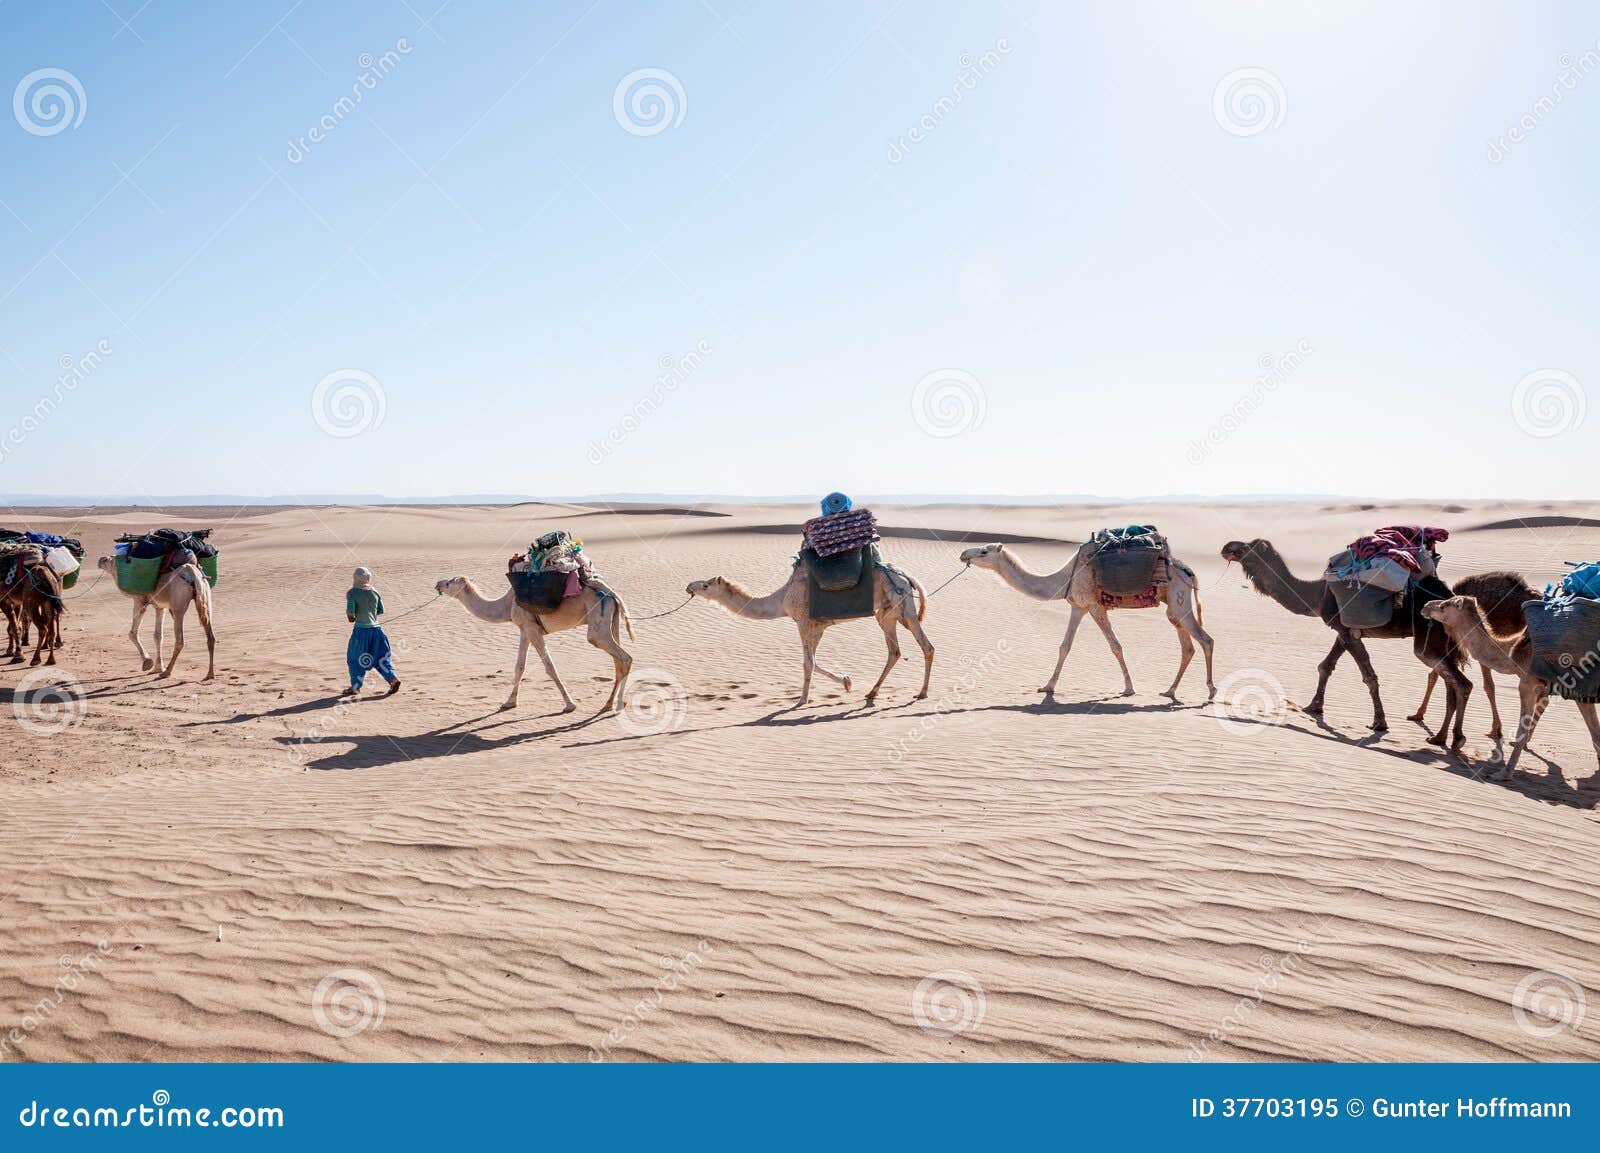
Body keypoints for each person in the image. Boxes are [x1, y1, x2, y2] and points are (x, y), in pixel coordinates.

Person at [344, 566, 400, 697]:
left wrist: (357, 615)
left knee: (355, 659)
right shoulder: (374, 591)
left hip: (361, 632)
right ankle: (393, 679)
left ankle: (355, 687)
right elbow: (380, 611)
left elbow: (351, 617)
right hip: (377, 631)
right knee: (382, 658)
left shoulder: (352, 593)